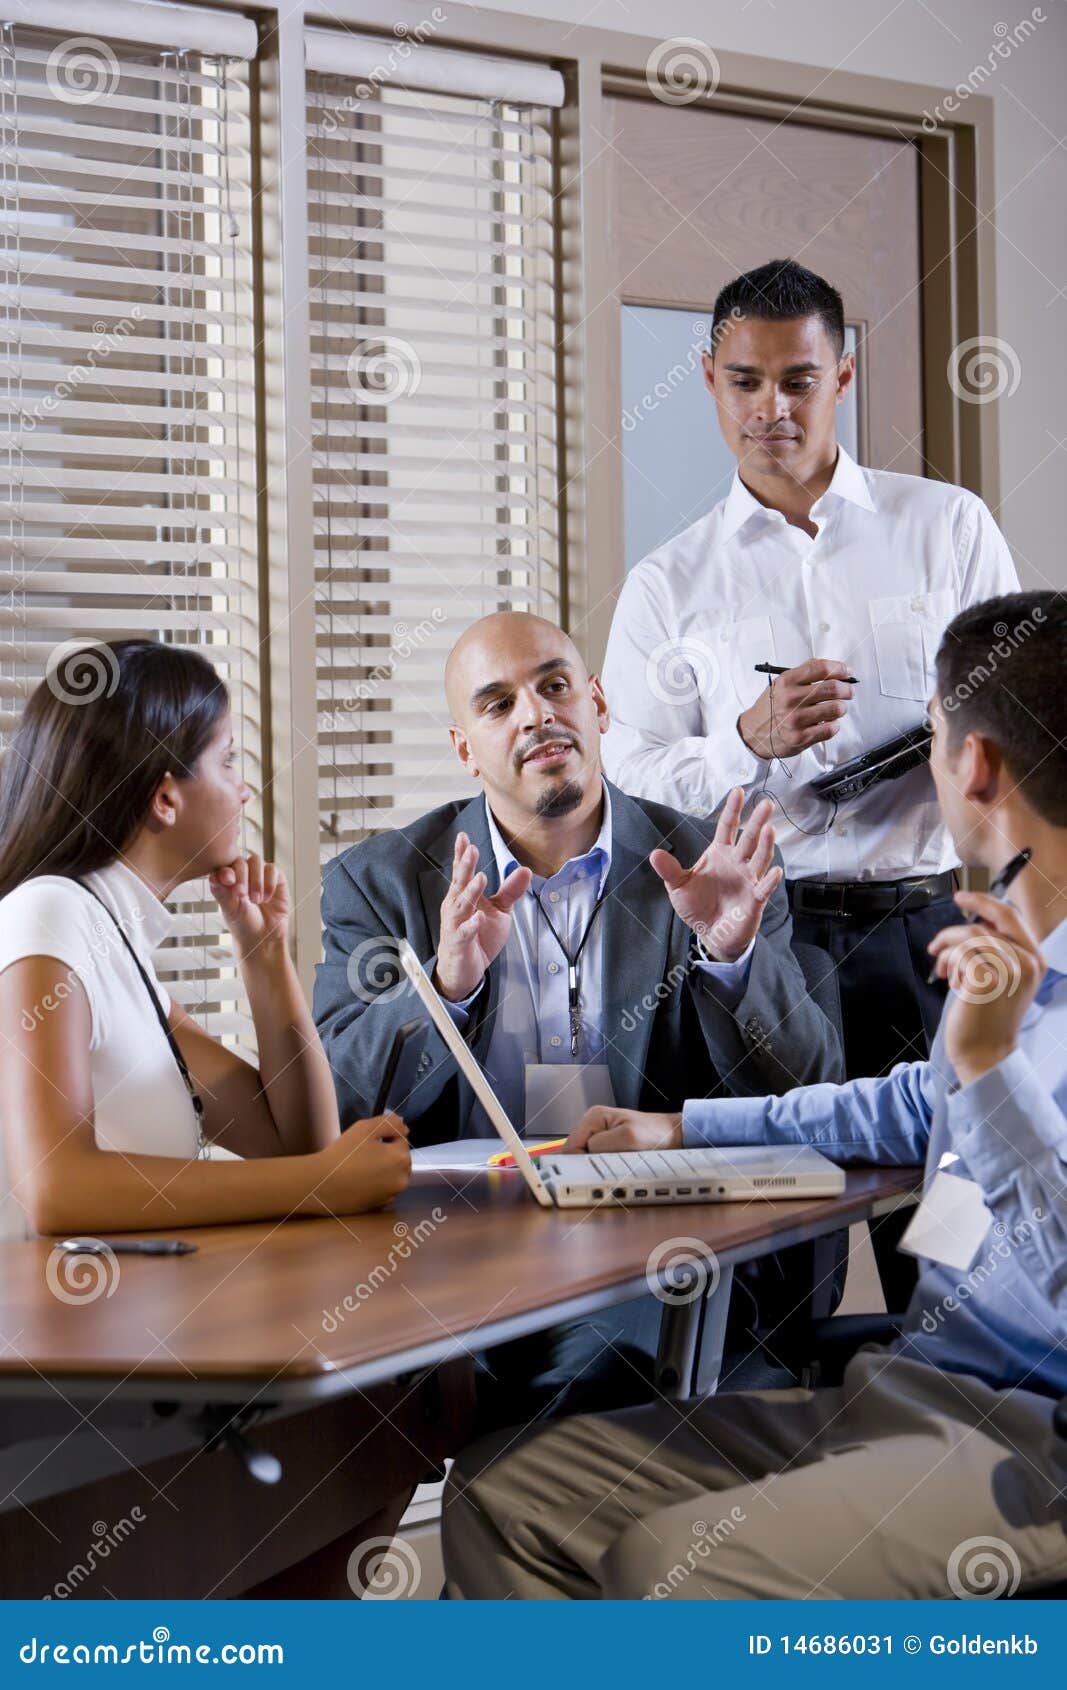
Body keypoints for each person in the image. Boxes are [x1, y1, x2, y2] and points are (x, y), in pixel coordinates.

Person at [442, 590, 1067, 1600]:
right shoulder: (1012, 960)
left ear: (975, 767)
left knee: (665, 1569)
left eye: (935, 739)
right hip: (908, 1390)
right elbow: (902, 1106)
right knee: (505, 1491)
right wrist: (678, 1126)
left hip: (1029, 1450)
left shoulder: (1003, 1009)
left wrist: (991, 1069)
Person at [314, 610, 843, 1420]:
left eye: (554, 686)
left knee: (593, 1375)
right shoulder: (379, 885)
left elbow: (815, 1095)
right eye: (496, 705)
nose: (536, 715)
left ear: (596, 705)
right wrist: (446, 985)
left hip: (654, 1247)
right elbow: (340, 1112)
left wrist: (733, 959)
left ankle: (521, 1509)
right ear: (465, 749)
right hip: (451, 1256)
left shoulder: (712, 860)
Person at [602, 257, 1020, 1087]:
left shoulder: (949, 528)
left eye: (798, 380)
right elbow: (628, 772)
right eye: (744, 381)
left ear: (843, 375)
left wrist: (961, 736)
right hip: (766, 940)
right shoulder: (666, 584)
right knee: (789, 1201)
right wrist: (742, 743)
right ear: (708, 381)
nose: (772, 408)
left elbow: (1031, 720)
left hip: (932, 925)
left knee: (951, 1203)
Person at [0, 640, 410, 1242]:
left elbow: (294, 1144)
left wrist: (265, 957)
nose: (244, 790)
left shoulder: (117, 946)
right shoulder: (49, 915)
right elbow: (57, 1190)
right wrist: (319, 1185)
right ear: (166, 798)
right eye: (228, 761)